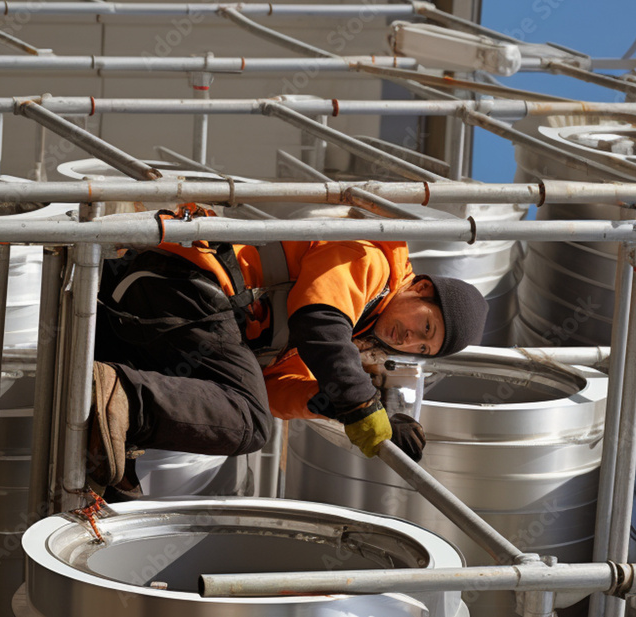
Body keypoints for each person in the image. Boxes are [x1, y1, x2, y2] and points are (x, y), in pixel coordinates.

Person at [88, 203, 488, 493]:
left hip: (171, 313)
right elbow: (319, 319)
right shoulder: (371, 260)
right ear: (421, 289)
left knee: (243, 409)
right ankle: (122, 396)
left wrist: (329, 402)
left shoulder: (355, 329)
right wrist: (363, 408)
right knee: (249, 422)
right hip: (191, 286)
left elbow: (274, 387)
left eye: (423, 346)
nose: (410, 340)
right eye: (425, 325)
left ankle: (113, 406)